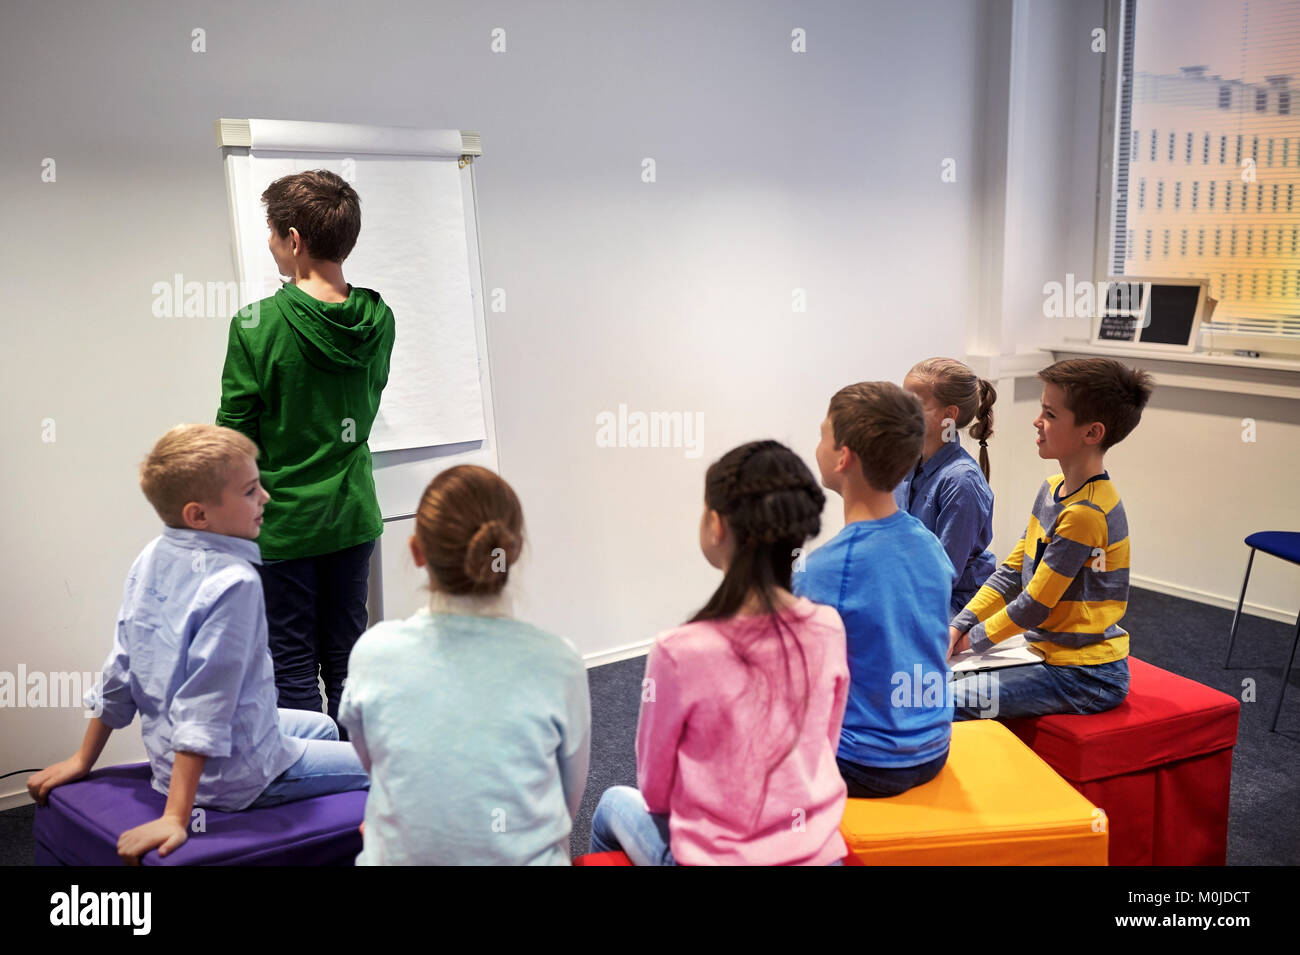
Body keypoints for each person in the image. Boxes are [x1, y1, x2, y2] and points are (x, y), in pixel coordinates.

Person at [26, 424, 368, 864]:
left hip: (171, 760)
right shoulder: (234, 583)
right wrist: (176, 817)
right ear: (199, 515)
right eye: (250, 491)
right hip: (239, 778)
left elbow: (120, 669)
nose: (265, 497)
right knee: (393, 764)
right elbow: (205, 706)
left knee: (320, 727)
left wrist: (81, 759)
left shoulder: (152, 556)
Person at [589, 440, 850, 866]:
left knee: (611, 804)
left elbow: (655, 792)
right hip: (819, 854)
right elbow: (825, 745)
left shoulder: (679, 651)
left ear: (716, 524)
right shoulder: (828, 627)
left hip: (718, 859)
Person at [216, 169, 396, 736]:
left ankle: (313, 804)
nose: (269, 244)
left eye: (272, 233)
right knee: (348, 659)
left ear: (294, 240)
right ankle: (359, 795)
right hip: (351, 515)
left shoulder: (256, 325)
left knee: (291, 665)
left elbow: (234, 438)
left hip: (283, 523)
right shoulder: (379, 319)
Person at [338, 465, 591, 865]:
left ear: (417, 551)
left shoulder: (373, 653)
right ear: (515, 550)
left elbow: (376, 766)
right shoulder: (558, 662)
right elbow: (567, 799)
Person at [948, 358, 1155, 720]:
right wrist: (958, 627)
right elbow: (1011, 573)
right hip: (1042, 650)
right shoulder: (1052, 488)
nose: (1036, 421)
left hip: (1085, 675)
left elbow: (1034, 605)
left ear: (1092, 433)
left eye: (1050, 413)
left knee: (939, 699)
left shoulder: (1086, 514)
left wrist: (968, 642)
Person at [794, 383, 955, 797]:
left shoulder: (825, 569)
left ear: (843, 457)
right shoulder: (928, 543)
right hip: (935, 746)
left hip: (866, 764)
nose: (817, 448)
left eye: (822, 436)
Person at [895, 357, 998, 616]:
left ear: (949, 415)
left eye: (914, 404)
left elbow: (943, 574)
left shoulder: (961, 481)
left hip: (952, 604)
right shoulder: (903, 463)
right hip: (910, 591)